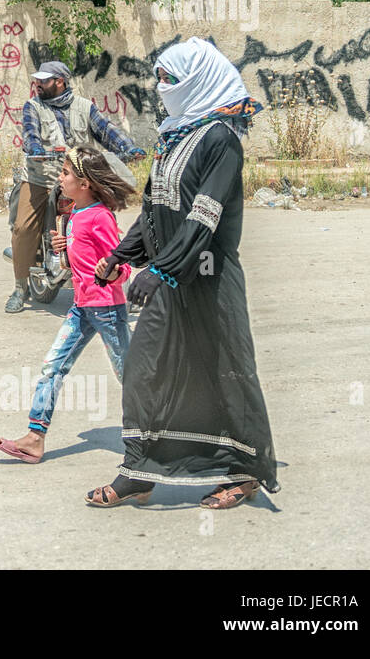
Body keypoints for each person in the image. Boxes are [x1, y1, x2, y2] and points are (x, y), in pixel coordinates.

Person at [85, 37, 279, 508]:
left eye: (170, 79)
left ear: (198, 80)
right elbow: (155, 208)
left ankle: (243, 472)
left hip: (208, 282)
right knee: (145, 371)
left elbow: (204, 215)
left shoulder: (221, 140)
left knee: (224, 373)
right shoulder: (175, 134)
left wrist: (163, 271)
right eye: (161, 78)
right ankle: (141, 469)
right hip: (171, 277)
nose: (161, 86)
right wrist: (122, 255)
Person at [0, 146, 136, 462]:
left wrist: (111, 271)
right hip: (82, 307)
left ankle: (156, 434)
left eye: (66, 173)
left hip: (108, 309)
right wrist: (65, 249)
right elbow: (78, 264)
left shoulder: (100, 216)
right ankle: (34, 437)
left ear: (84, 184)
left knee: (130, 374)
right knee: (52, 367)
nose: (60, 177)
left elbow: (122, 264)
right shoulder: (73, 215)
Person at [7, 61, 146, 314]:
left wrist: (128, 148)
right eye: (37, 80)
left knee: (104, 222)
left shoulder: (85, 107)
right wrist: (35, 148)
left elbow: (106, 131)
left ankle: (120, 287)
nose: (38, 84)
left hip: (79, 177)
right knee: (23, 227)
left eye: (44, 81)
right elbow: (30, 133)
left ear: (60, 81)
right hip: (41, 174)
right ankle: (19, 287)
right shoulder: (33, 106)